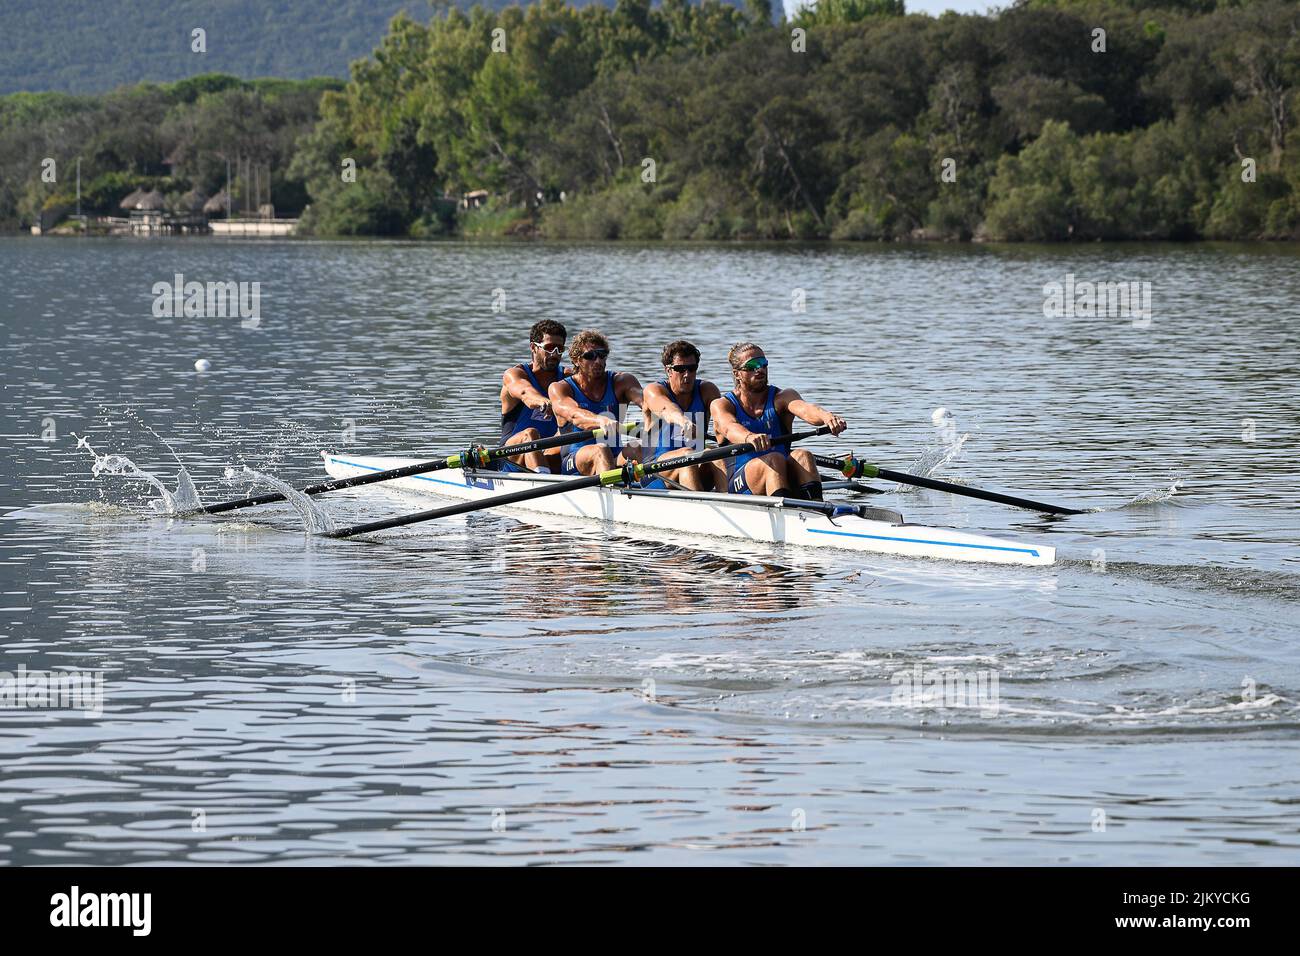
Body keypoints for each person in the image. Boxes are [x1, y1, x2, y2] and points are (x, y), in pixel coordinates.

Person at [710, 342, 847, 500]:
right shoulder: (722, 404)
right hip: (740, 482)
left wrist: (827, 417)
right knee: (774, 459)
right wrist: (749, 437)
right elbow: (729, 427)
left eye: (763, 364)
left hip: (780, 472)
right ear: (737, 374)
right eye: (752, 365)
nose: (759, 369)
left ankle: (818, 508)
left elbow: (806, 410)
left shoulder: (782, 397)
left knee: (803, 455)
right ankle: (785, 514)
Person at [548, 330, 644, 476]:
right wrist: (600, 420)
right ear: (576, 360)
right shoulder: (560, 388)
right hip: (574, 461)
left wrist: (665, 414)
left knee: (638, 448)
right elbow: (575, 415)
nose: (598, 361)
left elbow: (648, 403)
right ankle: (614, 493)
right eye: (590, 356)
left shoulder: (622, 382)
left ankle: (658, 490)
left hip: (614, 456)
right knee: (600, 449)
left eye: (602, 355)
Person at [640, 340, 724, 491]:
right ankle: (698, 509)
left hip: (691, 464)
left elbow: (724, 420)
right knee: (686, 455)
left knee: (714, 454)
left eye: (692, 368)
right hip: (653, 473)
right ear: (668, 371)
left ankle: (729, 502)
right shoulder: (653, 390)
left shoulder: (708, 391)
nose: (687, 374)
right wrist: (684, 422)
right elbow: (667, 409)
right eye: (680, 369)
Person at [496, 319, 567, 473]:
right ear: (533, 347)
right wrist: (543, 401)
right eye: (549, 348)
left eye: (559, 349)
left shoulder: (567, 378)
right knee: (530, 434)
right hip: (511, 458)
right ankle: (543, 482)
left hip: (549, 454)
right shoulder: (515, 374)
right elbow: (525, 392)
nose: (554, 354)